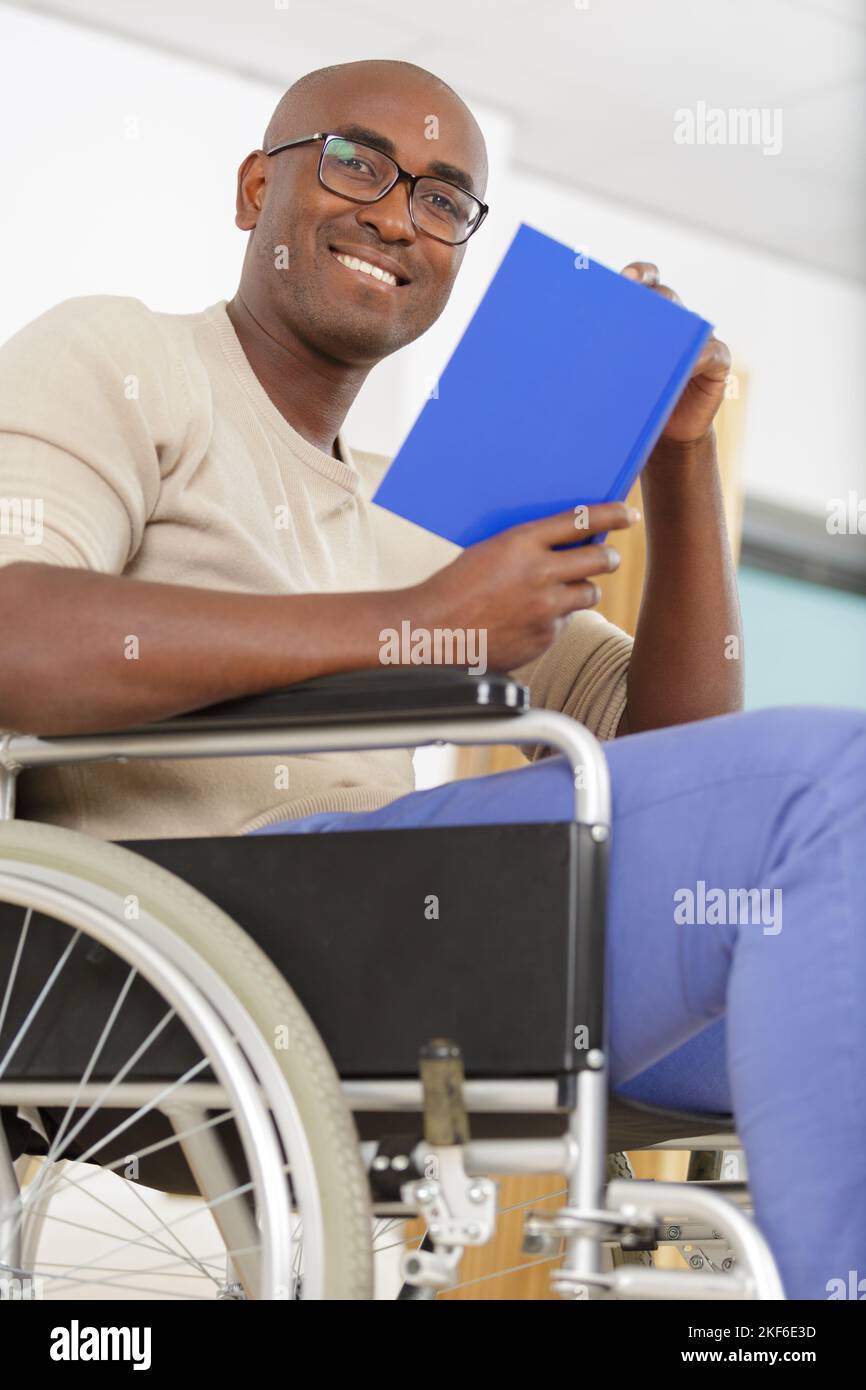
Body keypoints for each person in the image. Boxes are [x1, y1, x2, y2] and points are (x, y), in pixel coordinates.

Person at [0, 59, 862, 1300]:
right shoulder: (125, 356)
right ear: (257, 189)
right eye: (357, 161)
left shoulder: (420, 518)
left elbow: (668, 758)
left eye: (445, 198)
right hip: (199, 944)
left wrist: (678, 468)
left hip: (369, 932)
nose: (398, 213)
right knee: (830, 782)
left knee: (812, 911)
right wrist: (416, 624)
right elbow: (17, 633)